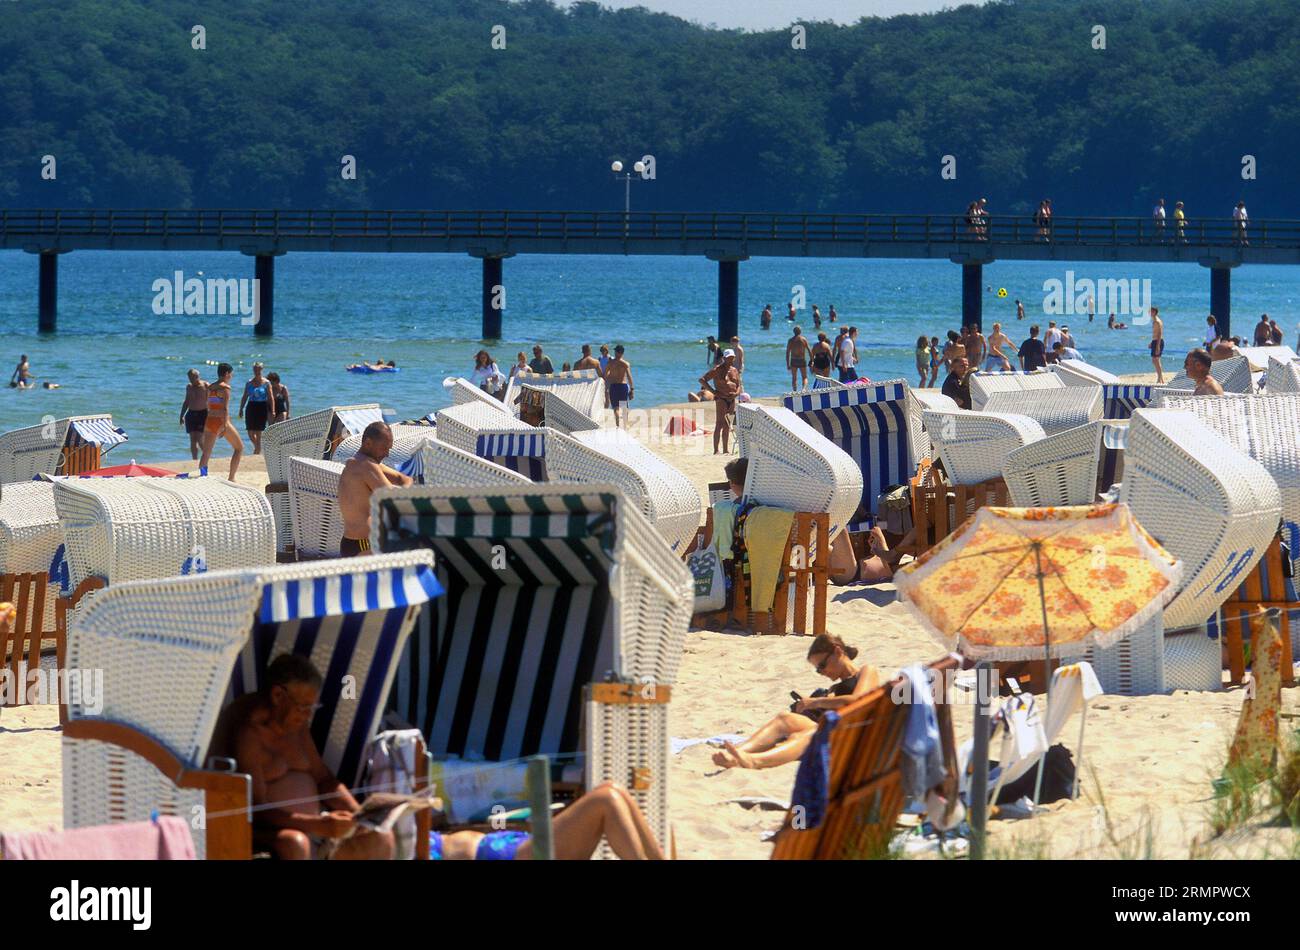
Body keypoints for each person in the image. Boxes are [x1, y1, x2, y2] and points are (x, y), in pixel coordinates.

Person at [210, 654, 394, 860]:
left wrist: (359, 814)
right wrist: (316, 824)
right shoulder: (248, 734)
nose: (308, 716)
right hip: (272, 832)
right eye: (303, 707)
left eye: (312, 708)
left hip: (316, 827)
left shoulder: (296, 726)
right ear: (278, 695)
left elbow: (324, 779)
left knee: (381, 835)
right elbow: (258, 810)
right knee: (295, 843)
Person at [711, 634, 881, 770]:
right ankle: (737, 753)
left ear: (838, 652)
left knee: (808, 735)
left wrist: (815, 702)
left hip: (853, 735)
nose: (821, 672)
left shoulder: (866, 671)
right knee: (784, 718)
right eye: (817, 670)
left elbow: (859, 700)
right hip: (834, 729)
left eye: (822, 665)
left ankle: (755, 761)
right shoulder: (836, 688)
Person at [428, 782, 664, 860]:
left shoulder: (406, 836)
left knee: (613, 790)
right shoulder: (395, 846)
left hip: (507, 845)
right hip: (507, 855)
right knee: (606, 799)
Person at [337, 422, 412, 556]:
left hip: (351, 542)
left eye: (389, 448)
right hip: (365, 544)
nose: (387, 454)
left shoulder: (359, 463)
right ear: (368, 443)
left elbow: (405, 479)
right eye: (384, 448)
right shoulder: (366, 467)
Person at [199, 362, 244, 480]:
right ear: (227, 373)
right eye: (231, 374)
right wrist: (224, 425)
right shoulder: (225, 388)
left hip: (209, 420)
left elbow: (208, 404)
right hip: (221, 421)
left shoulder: (210, 387)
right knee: (239, 448)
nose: (231, 377)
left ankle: (202, 476)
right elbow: (225, 408)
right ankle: (231, 477)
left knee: (206, 453)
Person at [700, 350, 740, 454]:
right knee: (719, 424)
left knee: (727, 425)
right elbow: (702, 380)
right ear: (724, 358)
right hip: (721, 399)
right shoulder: (717, 369)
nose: (730, 360)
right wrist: (713, 392)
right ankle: (716, 450)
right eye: (728, 358)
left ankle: (726, 450)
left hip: (732, 399)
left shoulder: (734, 370)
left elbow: (739, 384)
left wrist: (736, 393)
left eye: (732, 358)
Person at [238, 363, 277, 456]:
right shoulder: (249, 383)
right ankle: (258, 447)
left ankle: (257, 451)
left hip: (262, 407)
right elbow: (244, 396)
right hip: (251, 406)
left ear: (262, 370)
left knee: (258, 432)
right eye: (255, 369)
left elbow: (271, 397)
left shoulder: (266, 383)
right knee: (250, 432)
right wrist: (241, 408)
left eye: (258, 369)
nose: (257, 371)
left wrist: (273, 410)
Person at [179, 369, 209, 460]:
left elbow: (212, 400)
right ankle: (194, 460)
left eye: (192, 378)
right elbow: (186, 401)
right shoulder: (189, 387)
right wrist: (181, 415)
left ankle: (206, 456)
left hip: (202, 414)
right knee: (193, 439)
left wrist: (213, 414)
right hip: (191, 414)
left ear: (197, 376)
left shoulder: (206, 386)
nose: (190, 380)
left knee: (200, 438)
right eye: (189, 378)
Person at [605, 344, 634, 427]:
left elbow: (606, 374)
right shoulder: (625, 364)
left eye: (615, 351)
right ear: (622, 353)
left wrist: (608, 382)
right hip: (623, 386)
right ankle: (625, 425)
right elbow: (629, 376)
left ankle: (618, 426)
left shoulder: (610, 362)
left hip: (613, 386)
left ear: (617, 352)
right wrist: (632, 389)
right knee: (624, 407)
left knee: (615, 408)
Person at [786, 326, 812, 391]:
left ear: (793, 332)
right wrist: (812, 360)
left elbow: (787, 353)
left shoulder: (790, 340)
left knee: (794, 378)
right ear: (800, 332)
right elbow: (809, 350)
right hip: (801, 360)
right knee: (804, 377)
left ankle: (795, 391)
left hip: (793, 360)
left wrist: (788, 364)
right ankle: (803, 389)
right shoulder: (803, 339)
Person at [1149, 306, 1165, 383]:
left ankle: (1160, 378)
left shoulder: (1157, 321)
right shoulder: (1155, 320)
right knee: (1156, 360)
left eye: (1151, 311)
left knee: (1156, 360)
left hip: (1158, 341)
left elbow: (1159, 334)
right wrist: (1151, 343)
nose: (1149, 313)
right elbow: (1155, 333)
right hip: (1155, 341)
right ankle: (1160, 378)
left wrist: (1157, 346)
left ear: (1154, 312)